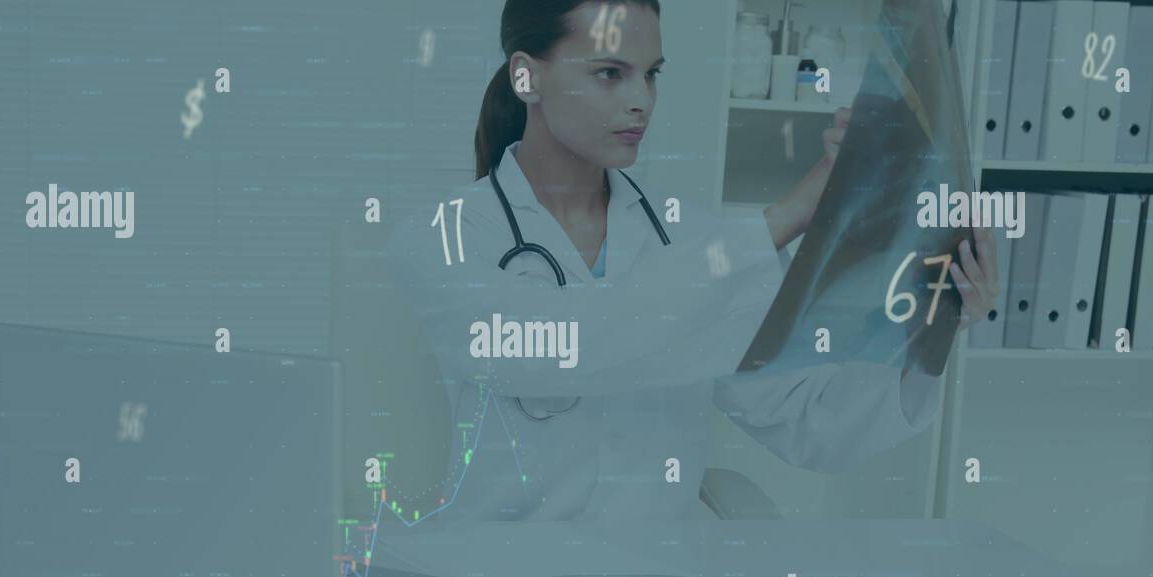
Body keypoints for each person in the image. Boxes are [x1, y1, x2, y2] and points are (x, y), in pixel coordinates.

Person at [385, 0, 999, 524]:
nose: (640, 102)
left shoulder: (691, 238)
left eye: (650, 75)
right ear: (528, 79)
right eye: (609, 74)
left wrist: (931, 329)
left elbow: (807, 420)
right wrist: (786, 217)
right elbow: (567, 344)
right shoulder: (447, 238)